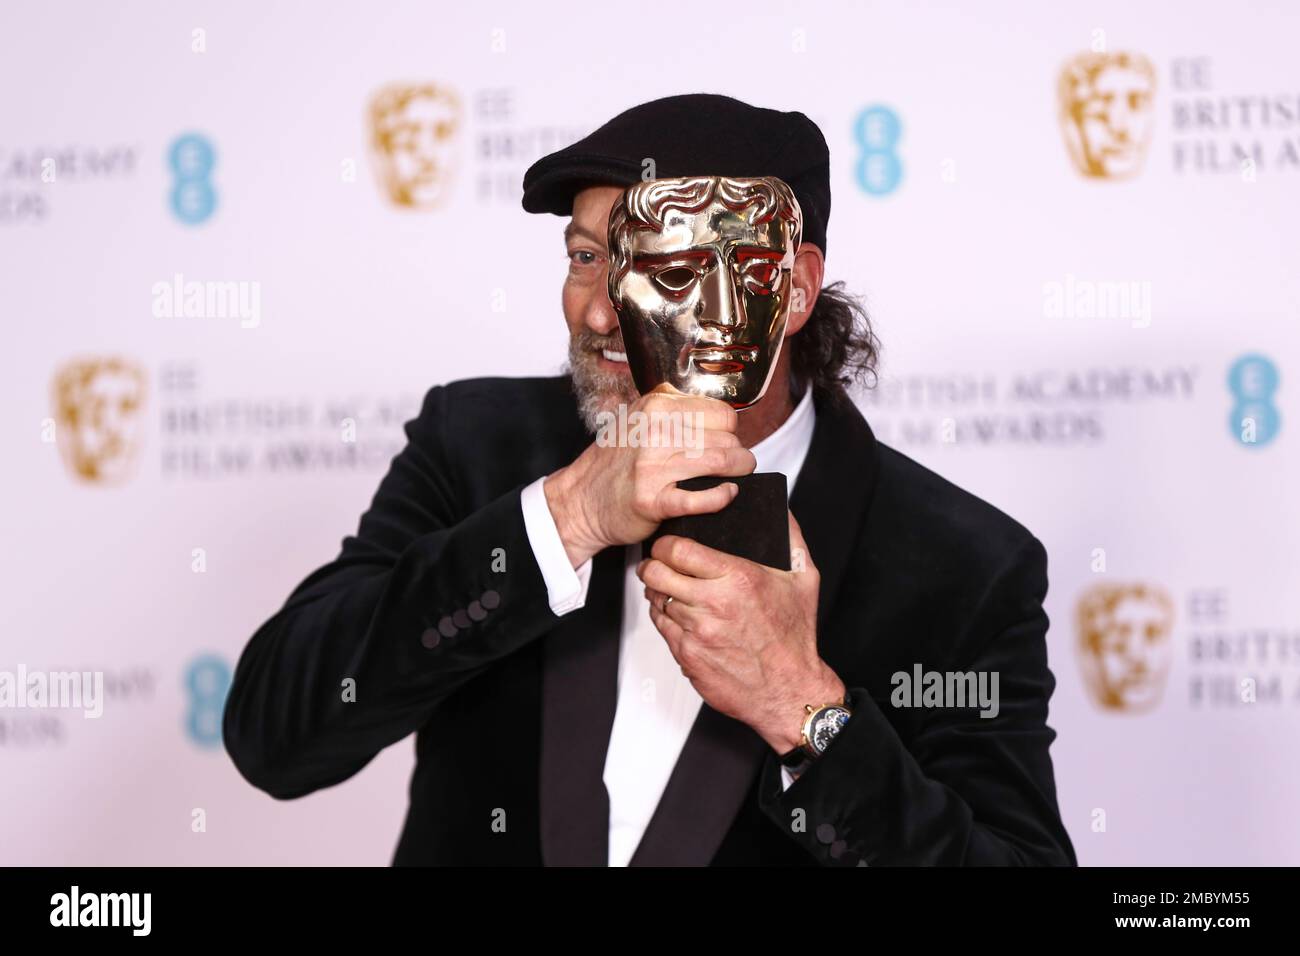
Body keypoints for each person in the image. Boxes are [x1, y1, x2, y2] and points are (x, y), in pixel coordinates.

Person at [223, 93, 1076, 867]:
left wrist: (805, 712)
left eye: (661, 270)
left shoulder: (962, 564)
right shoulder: (477, 445)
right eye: (588, 258)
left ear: (790, 289)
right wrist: (561, 520)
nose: (598, 312)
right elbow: (275, 734)